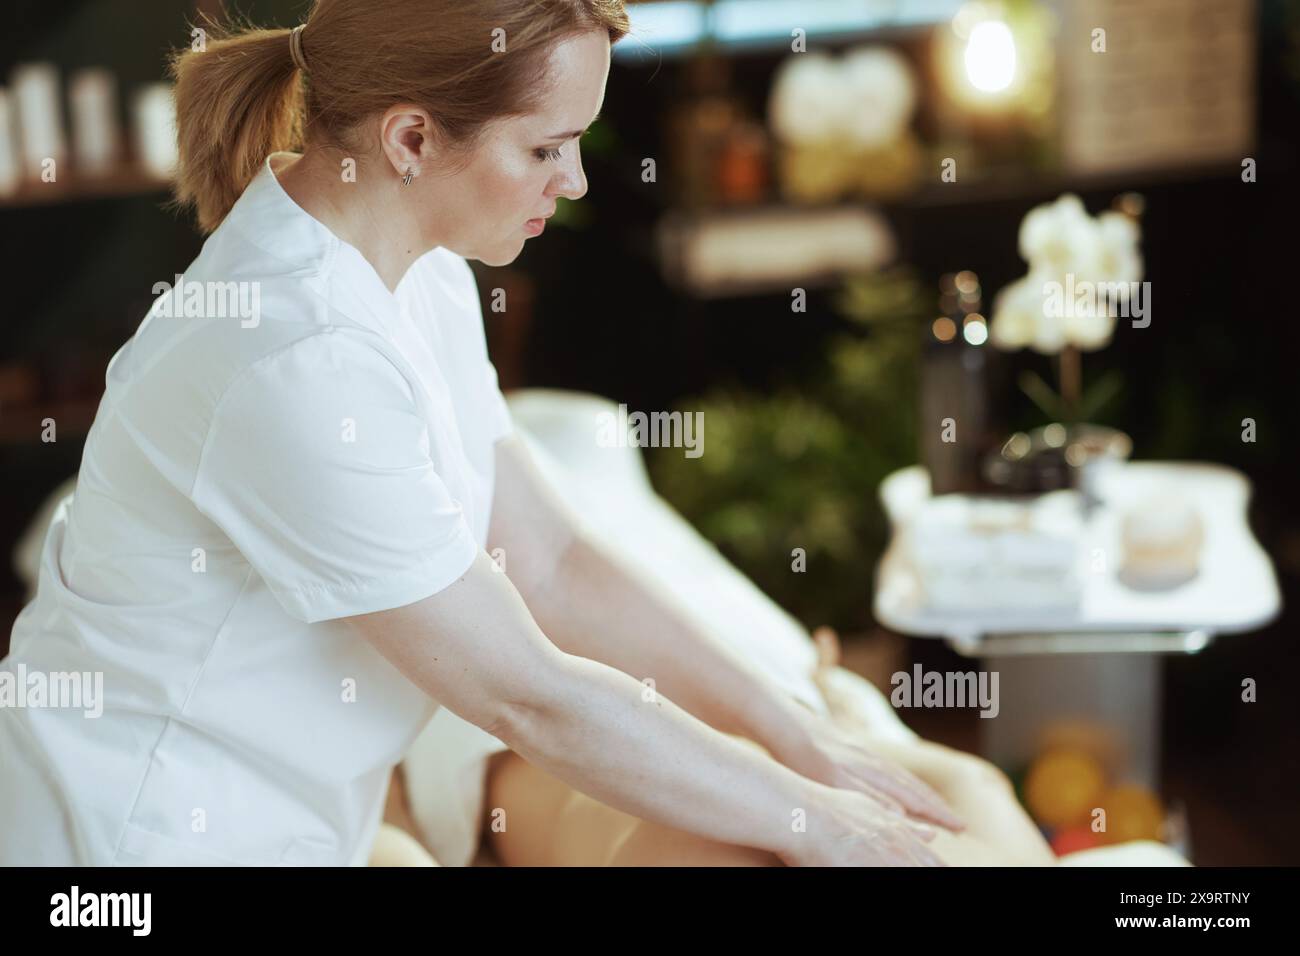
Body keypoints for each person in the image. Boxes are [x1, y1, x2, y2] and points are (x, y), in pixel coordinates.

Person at [0, 0, 960, 867]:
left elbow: (547, 558)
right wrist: (814, 818)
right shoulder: (290, 356)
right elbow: (526, 695)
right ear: (412, 138)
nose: (575, 180)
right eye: (546, 149)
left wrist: (792, 731)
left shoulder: (418, 269)